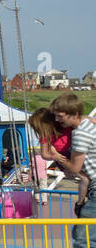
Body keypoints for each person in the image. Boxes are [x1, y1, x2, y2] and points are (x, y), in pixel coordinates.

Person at [43, 93, 96, 238]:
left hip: (93, 184)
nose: (57, 119)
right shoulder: (86, 123)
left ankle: (79, 204)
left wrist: (58, 158)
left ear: (74, 114)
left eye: (60, 116)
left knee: (82, 236)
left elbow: (74, 169)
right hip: (91, 183)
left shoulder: (79, 134)